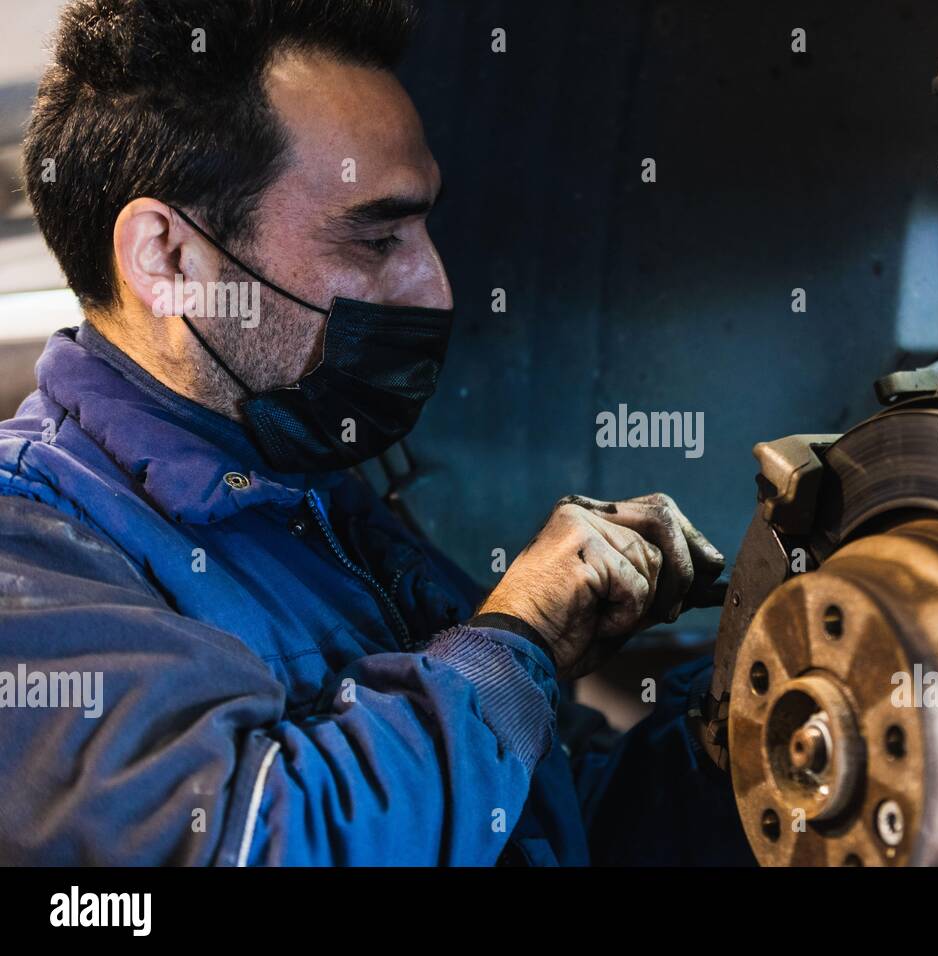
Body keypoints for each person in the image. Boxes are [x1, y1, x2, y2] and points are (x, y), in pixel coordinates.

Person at [0, 0, 751, 866]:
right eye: (376, 237)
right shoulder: (35, 542)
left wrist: (734, 734)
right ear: (167, 258)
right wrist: (518, 642)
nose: (435, 289)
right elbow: (258, 844)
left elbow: (544, 818)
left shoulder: (327, 503)